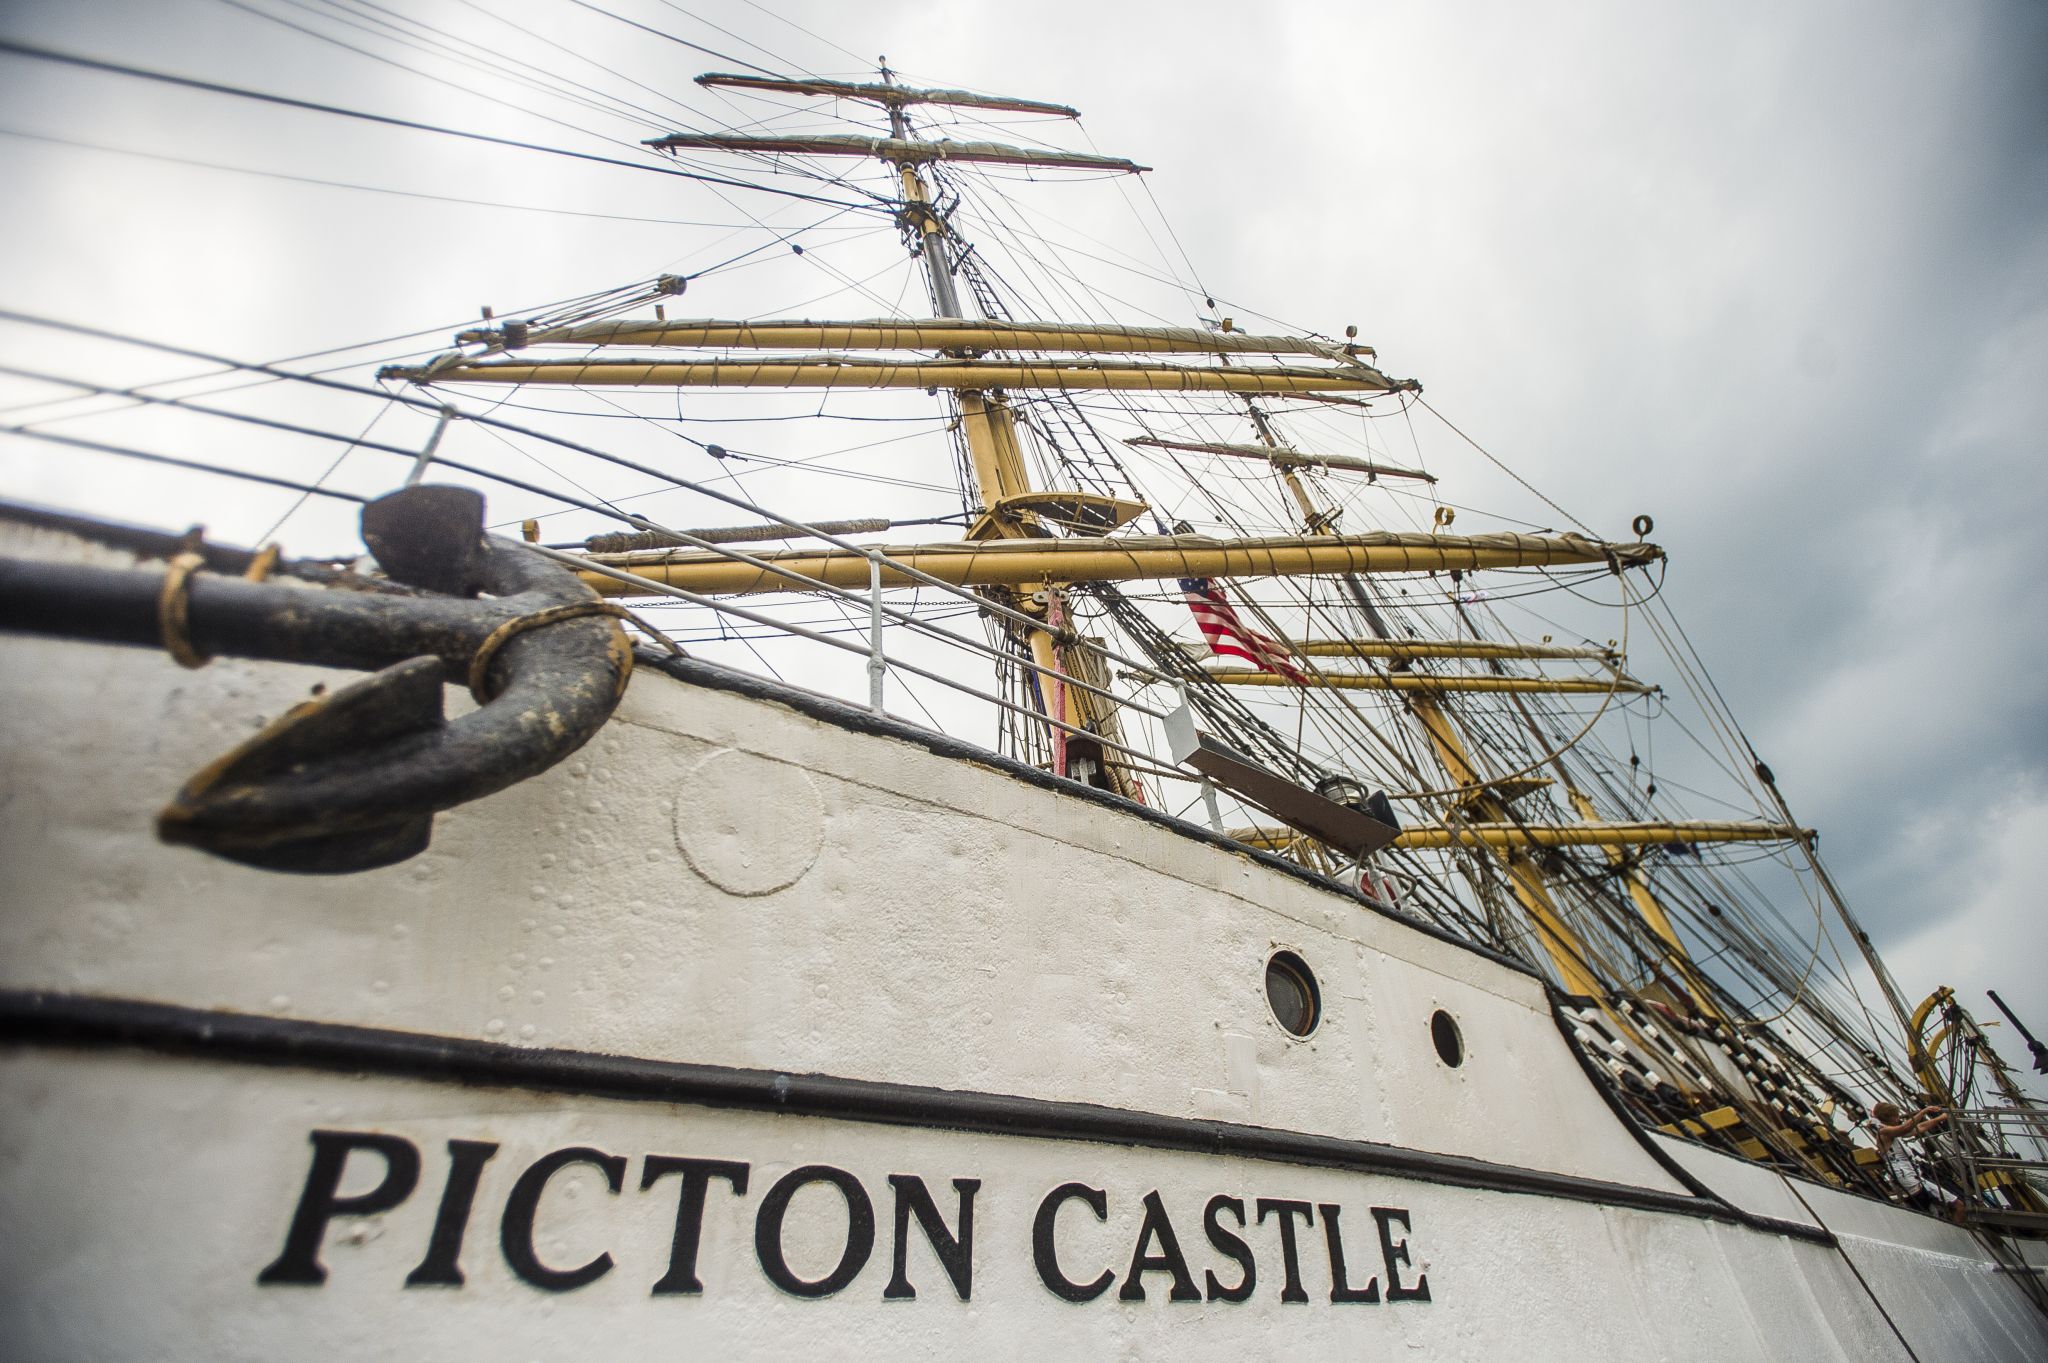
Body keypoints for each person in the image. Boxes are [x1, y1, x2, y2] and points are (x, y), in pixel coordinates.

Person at [1862, 1102, 1954, 1214]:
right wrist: (1924, 1111)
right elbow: (1905, 1127)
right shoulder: (1884, 1132)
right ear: (1890, 1117)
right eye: (1896, 1116)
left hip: (1915, 1176)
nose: (1899, 1118)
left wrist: (1940, 1118)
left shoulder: (1894, 1132)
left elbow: (1920, 1127)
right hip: (1904, 1176)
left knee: (1955, 1203)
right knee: (1927, 1208)